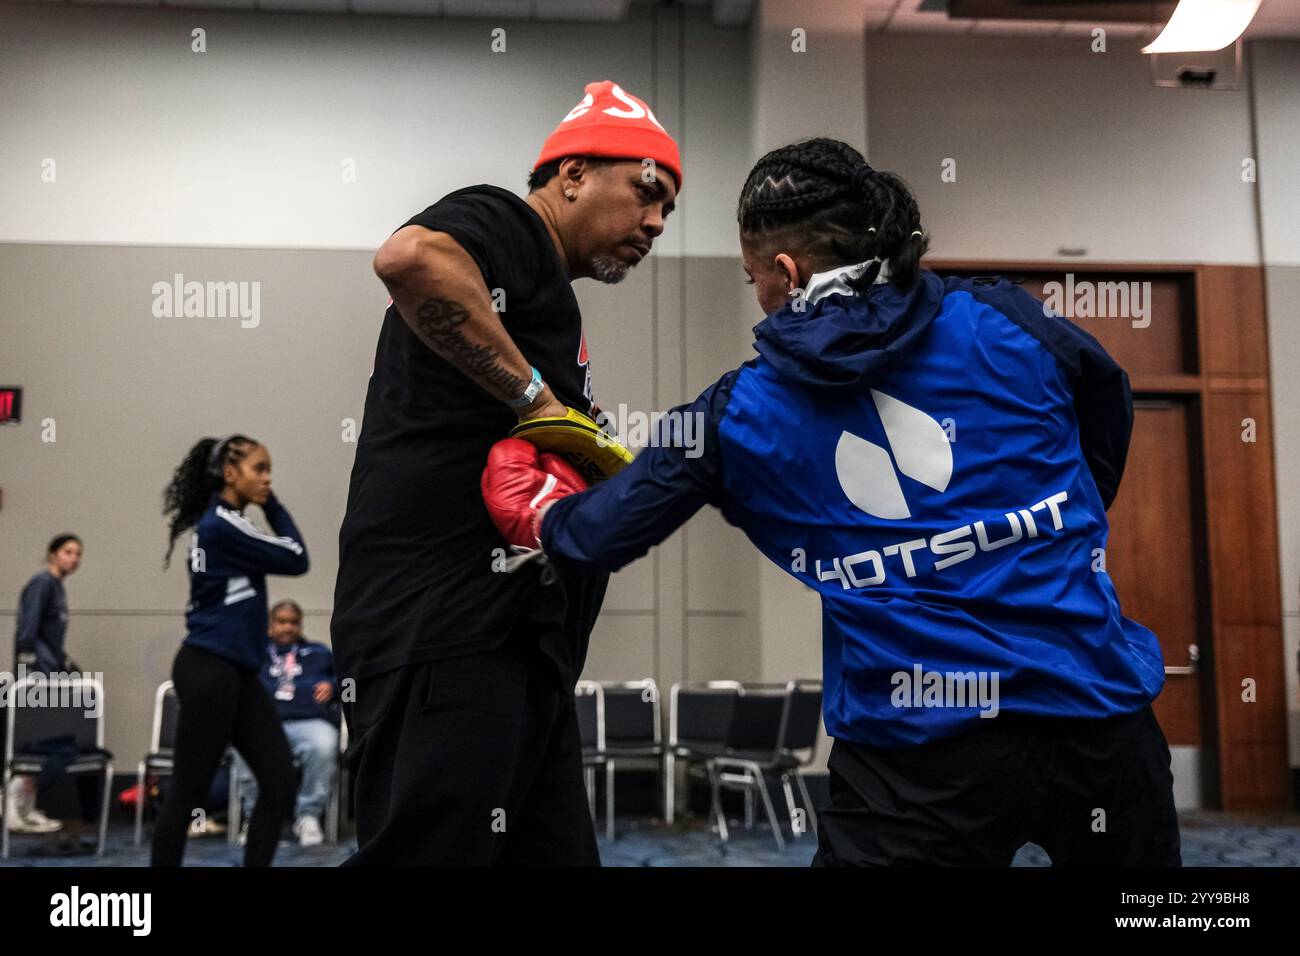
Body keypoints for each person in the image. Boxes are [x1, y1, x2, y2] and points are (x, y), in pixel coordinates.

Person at [482, 137, 1180, 867]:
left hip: (916, 763)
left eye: (754, 278)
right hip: (1100, 724)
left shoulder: (732, 414)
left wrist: (540, 510)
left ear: (785, 273)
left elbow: (601, 534)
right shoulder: (1005, 317)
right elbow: (1107, 401)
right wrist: (1051, 530)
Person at [332, 79, 680, 865]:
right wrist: (537, 400)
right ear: (573, 174)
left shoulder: (544, 291)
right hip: (447, 632)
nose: (656, 221)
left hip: (519, 643)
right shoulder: (512, 224)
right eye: (647, 192)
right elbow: (410, 257)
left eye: (668, 210)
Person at [151, 434, 309, 867]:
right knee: (187, 791)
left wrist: (262, 499)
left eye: (269, 471)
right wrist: (272, 504)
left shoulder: (220, 523)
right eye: (259, 469)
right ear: (229, 472)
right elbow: (297, 557)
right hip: (210, 667)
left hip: (234, 669)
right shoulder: (225, 523)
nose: (267, 478)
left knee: (278, 782)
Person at [233, 599, 339, 848]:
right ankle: (255, 819)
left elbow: (346, 678)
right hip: (264, 722)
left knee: (324, 744)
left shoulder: (319, 652)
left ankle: (308, 816)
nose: (287, 628)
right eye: (281, 622)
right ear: (270, 624)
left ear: (300, 625)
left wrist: (333, 686)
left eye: (293, 622)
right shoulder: (254, 652)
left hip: (309, 721)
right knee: (243, 743)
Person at [5, 534, 84, 834]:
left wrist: (65, 665)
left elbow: (49, 638)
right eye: (68, 552)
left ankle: (27, 806)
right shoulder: (42, 584)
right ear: (52, 554)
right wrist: (26, 676)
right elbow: (27, 632)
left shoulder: (58, 589)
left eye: (78, 554)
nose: (74, 559)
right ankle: (13, 807)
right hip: (36, 676)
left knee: (49, 745)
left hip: (52, 673)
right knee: (36, 744)